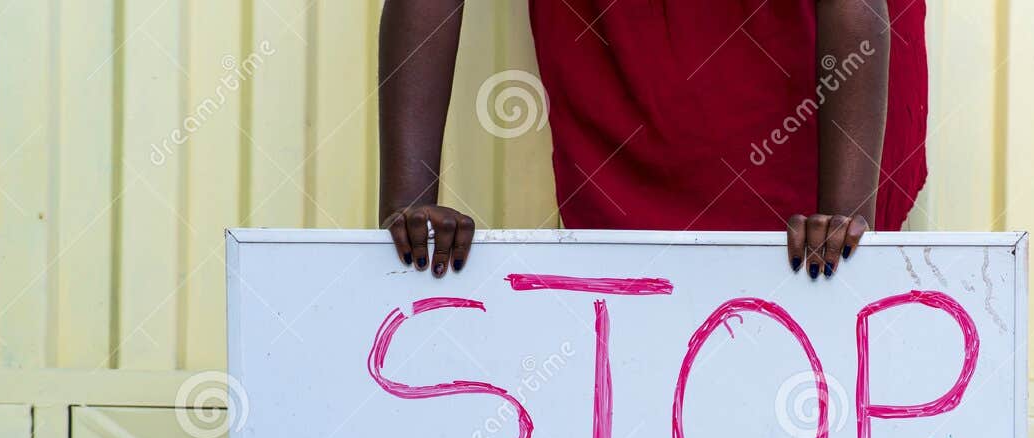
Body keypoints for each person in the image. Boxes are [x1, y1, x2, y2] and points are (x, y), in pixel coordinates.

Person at [377, 0, 927, 278]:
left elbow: (851, 7)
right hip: (630, 79)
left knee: (811, 325)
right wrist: (408, 209)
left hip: (815, 92)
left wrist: (847, 222)